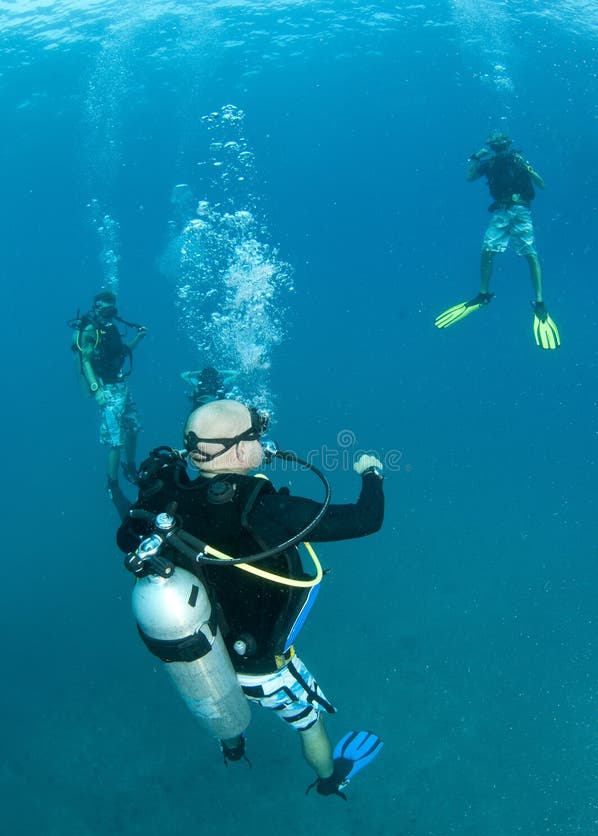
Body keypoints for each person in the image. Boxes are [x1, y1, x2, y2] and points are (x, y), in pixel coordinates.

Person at [117, 399, 385, 798]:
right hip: (259, 666)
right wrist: (372, 474)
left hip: (201, 649)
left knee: (217, 697)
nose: (264, 441)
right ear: (240, 450)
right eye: (257, 435)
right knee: (308, 720)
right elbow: (366, 521)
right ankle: (330, 779)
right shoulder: (264, 507)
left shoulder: (164, 496)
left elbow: (126, 536)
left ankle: (232, 744)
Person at [434, 130, 560, 350]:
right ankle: (483, 294)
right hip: (501, 211)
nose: (500, 149)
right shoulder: (489, 163)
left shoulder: (518, 160)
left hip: (520, 210)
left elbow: (541, 184)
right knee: (489, 251)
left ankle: (539, 302)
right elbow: (470, 177)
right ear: (492, 147)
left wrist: (526, 167)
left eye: (501, 146)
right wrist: (476, 157)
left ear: (507, 145)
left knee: (530, 254)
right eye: (496, 146)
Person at [72, 291, 148, 507]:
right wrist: (96, 390)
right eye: (105, 309)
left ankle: (130, 467)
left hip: (121, 385)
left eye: (112, 309)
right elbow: (85, 360)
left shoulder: (111, 328)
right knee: (115, 441)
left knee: (133, 427)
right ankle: (112, 484)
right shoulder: (90, 330)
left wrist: (138, 338)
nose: (109, 313)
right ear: (96, 308)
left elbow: (121, 354)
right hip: (107, 389)